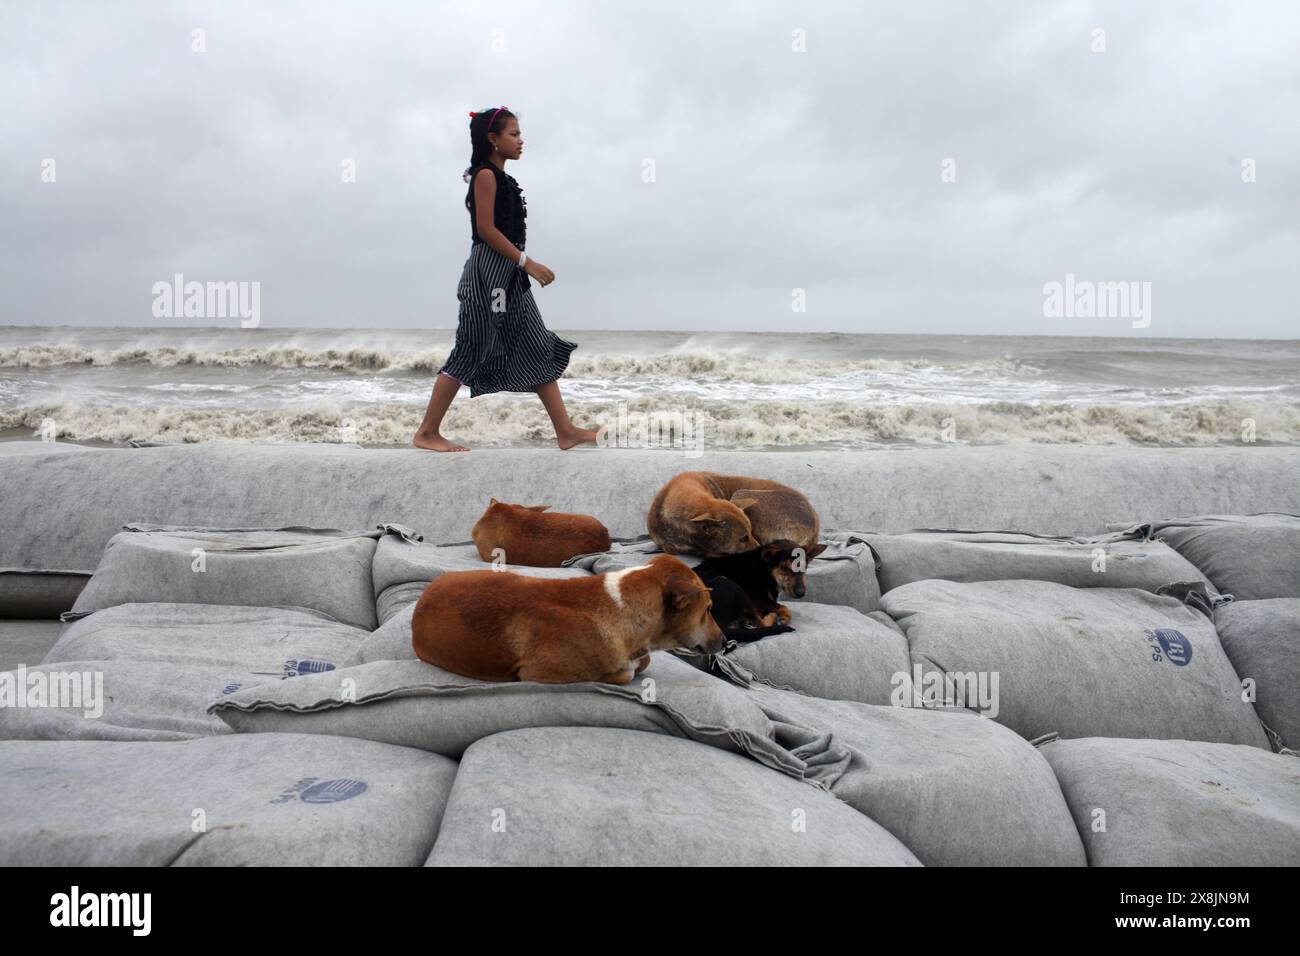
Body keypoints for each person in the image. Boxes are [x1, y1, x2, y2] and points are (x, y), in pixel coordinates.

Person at [413, 105, 601, 452]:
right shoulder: (485, 175)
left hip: (508, 275)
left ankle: (566, 430)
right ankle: (427, 432)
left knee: (537, 343)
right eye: (513, 134)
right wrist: (528, 263)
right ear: (492, 139)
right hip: (489, 275)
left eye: (519, 133)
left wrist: (520, 266)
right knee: (470, 347)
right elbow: (485, 230)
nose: (520, 140)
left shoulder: (503, 178)